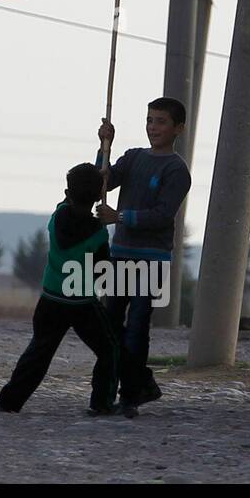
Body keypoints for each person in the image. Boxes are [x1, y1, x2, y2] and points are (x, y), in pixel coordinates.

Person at [0, 163, 120, 416]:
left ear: (67, 192)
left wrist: (100, 158)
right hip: (83, 304)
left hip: (50, 300)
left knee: (38, 353)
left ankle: (9, 401)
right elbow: (103, 273)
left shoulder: (57, 216)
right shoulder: (98, 235)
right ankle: (102, 403)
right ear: (99, 196)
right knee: (110, 349)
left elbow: (78, 191)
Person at [95, 97, 192, 418]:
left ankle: (131, 395)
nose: (153, 127)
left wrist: (119, 217)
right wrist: (104, 144)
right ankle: (137, 383)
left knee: (137, 326)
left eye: (161, 121)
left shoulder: (177, 170)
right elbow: (102, 181)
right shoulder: (133, 157)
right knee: (109, 326)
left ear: (178, 128)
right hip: (121, 254)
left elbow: (163, 215)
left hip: (152, 259)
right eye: (150, 120)